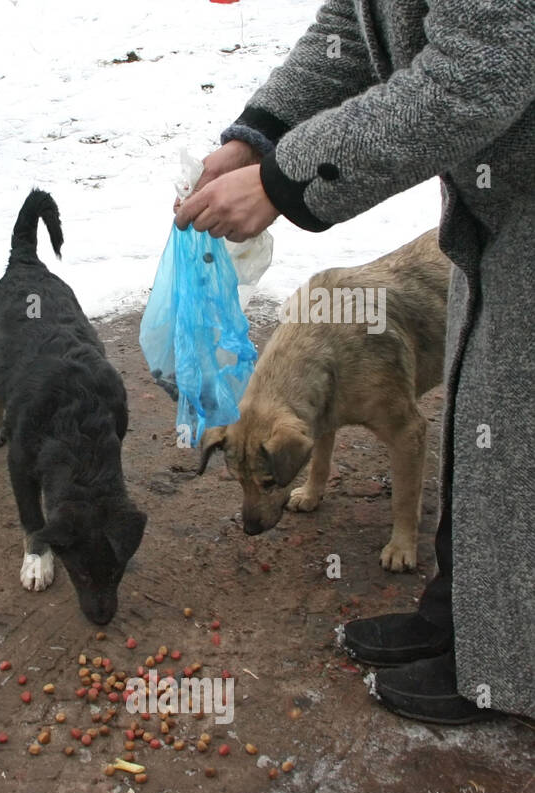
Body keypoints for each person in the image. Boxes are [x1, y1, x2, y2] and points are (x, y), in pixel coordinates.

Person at [173, 0, 535, 724]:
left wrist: (283, 181)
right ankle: (462, 616)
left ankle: (510, 666)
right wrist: (259, 136)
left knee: (519, 423)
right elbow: (352, 27)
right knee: (486, 408)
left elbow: (477, 72)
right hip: (496, 200)